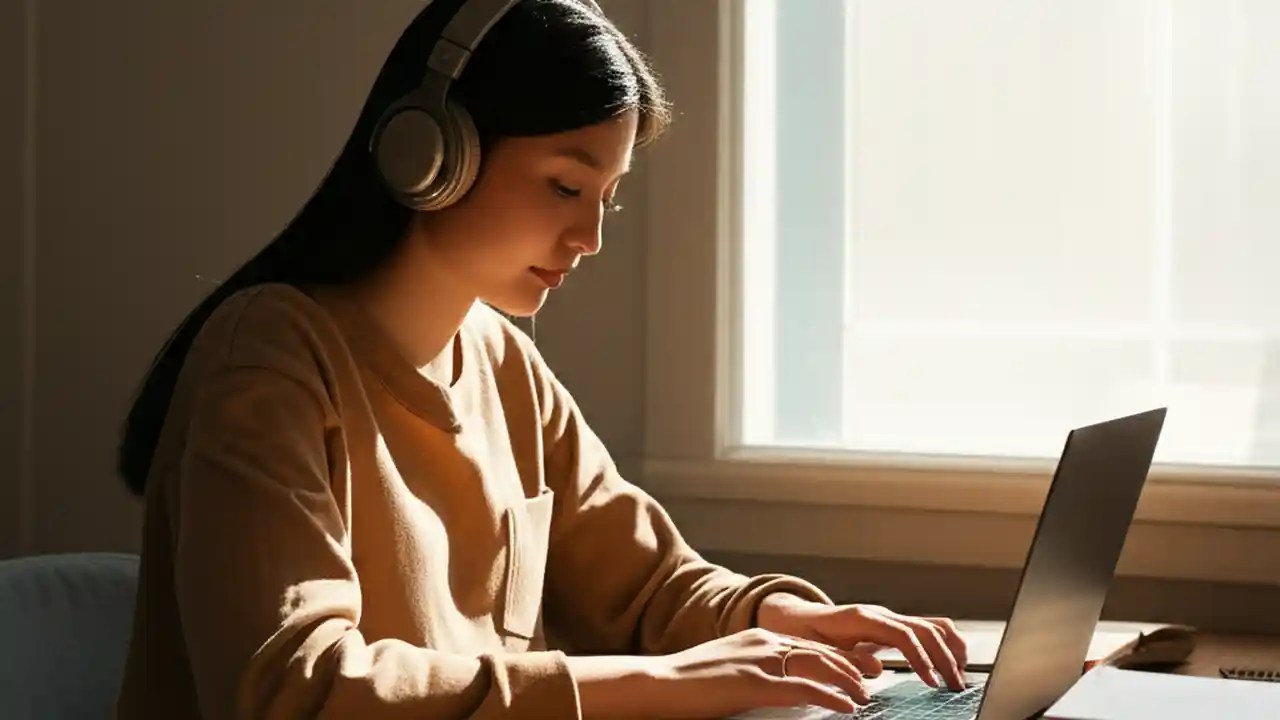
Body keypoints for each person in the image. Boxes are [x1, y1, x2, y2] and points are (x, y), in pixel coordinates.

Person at [114, 1, 967, 718]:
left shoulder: (502, 364)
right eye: (566, 185)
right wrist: (663, 681)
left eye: (606, 198)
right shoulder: (269, 356)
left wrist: (778, 618)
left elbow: (649, 589)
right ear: (431, 152)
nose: (590, 236)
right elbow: (293, 689)